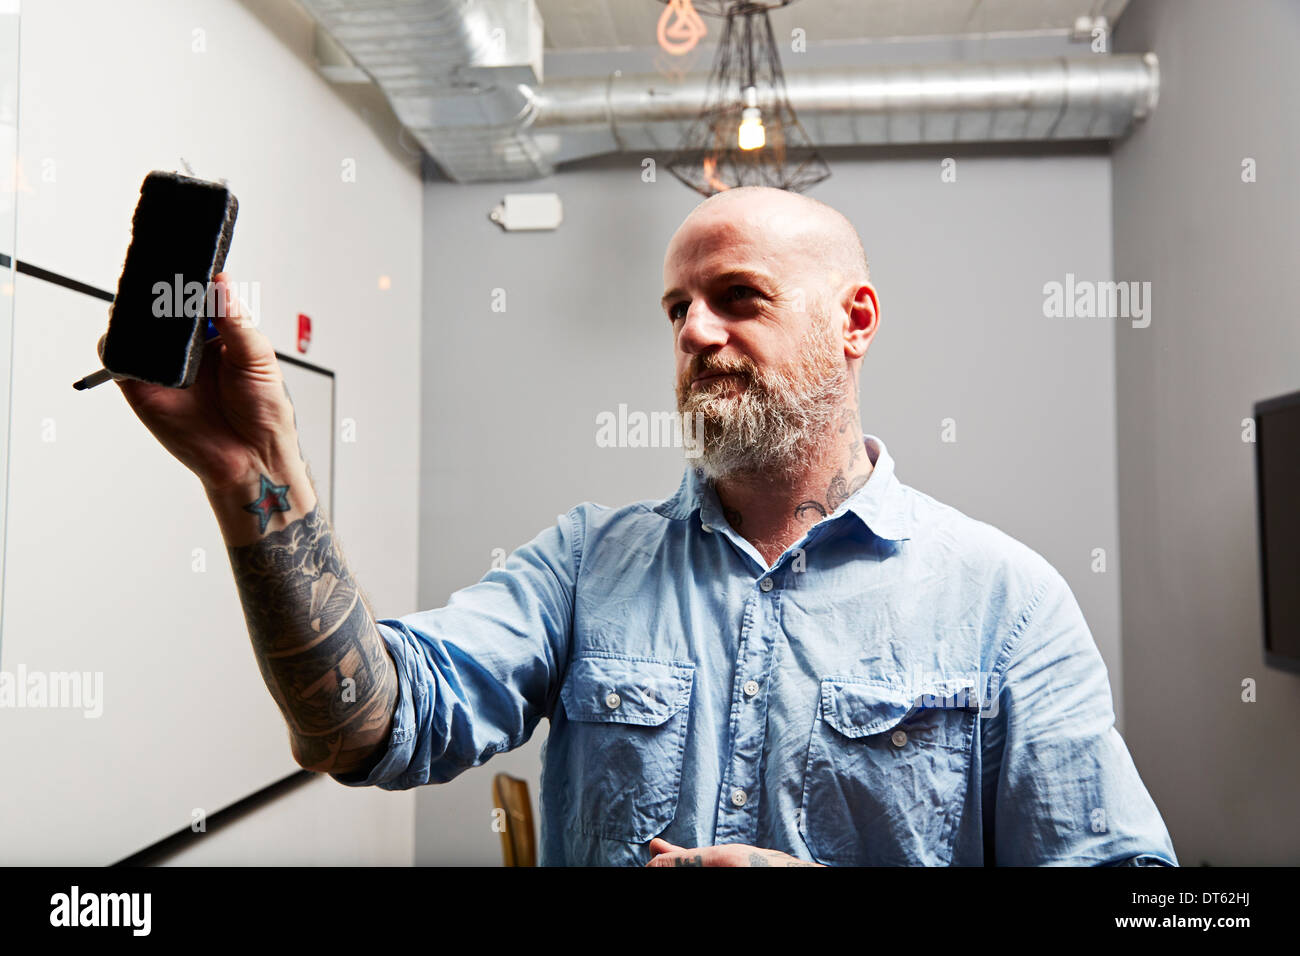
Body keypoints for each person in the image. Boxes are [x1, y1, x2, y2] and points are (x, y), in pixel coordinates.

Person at [114, 185, 1177, 867]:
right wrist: (255, 477)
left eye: (738, 296)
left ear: (855, 321)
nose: (695, 332)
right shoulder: (583, 564)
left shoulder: (1006, 600)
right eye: (676, 308)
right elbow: (369, 725)